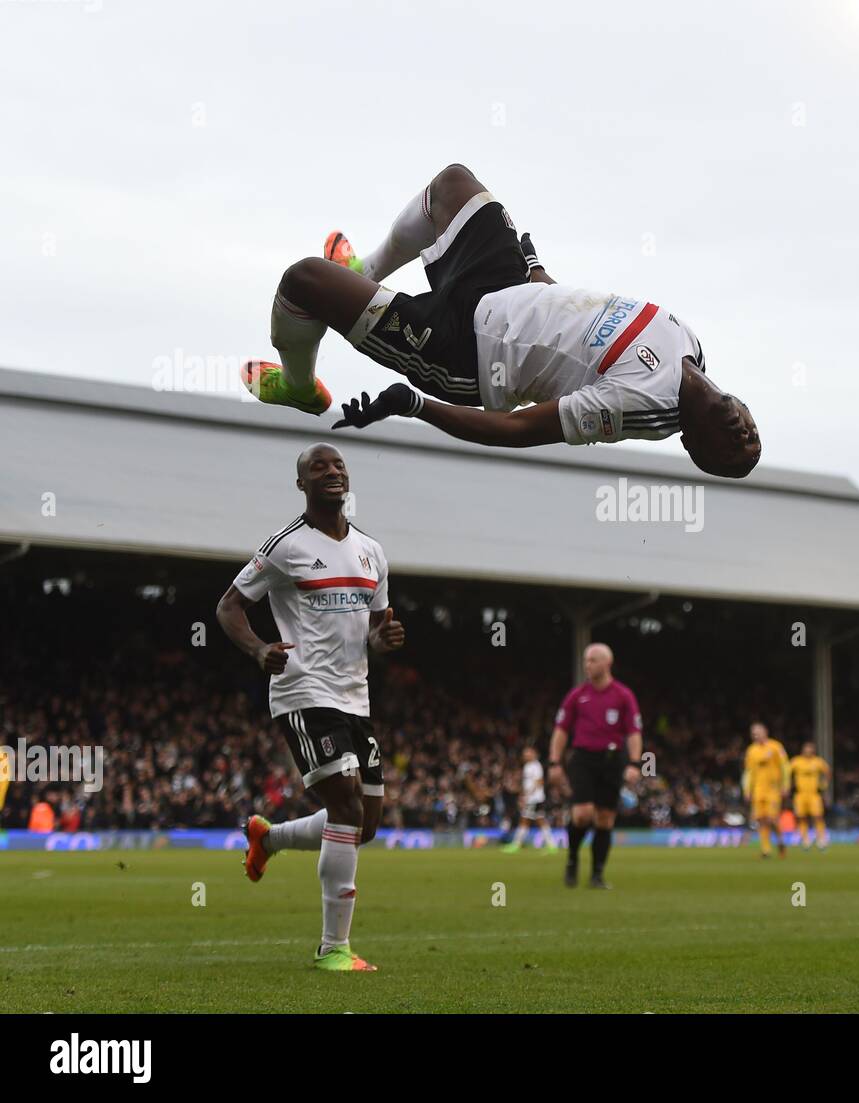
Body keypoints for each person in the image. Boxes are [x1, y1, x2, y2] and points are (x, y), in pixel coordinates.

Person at [241, 164, 761, 479]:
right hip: (506, 288)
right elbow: (577, 324)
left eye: (732, 450)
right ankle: (366, 272)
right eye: (753, 436)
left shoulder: (644, 406)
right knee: (453, 184)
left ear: (693, 445)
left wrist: (419, 405)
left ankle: (297, 385)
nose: (743, 435)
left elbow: (514, 429)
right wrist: (538, 269)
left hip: (468, 352)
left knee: (305, 281)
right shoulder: (690, 342)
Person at [215, 443, 404, 971]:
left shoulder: (372, 551)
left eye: (338, 464)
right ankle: (333, 948)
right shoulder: (285, 547)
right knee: (344, 806)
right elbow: (229, 606)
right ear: (302, 485)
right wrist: (257, 649)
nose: (331, 471)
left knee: (365, 823)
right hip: (302, 690)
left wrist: (383, 638)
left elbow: (375, 625)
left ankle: (268, 837)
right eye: (317, 467)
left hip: (355, 695)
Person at [548, 644, 643, 888]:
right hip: (583, 758)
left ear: (606, 664)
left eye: (592, 660)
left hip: (612, 760)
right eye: (586, 660)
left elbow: (633, 732)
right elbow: (561, 730)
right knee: (582, 814)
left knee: (605, 818)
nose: (587, 664)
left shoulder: (623, 695)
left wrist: (634, 762)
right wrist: (554, 762)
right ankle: (572, 861)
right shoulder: (577, 695)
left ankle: (597, 875)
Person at [742, 723, 789, 858]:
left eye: (758, 732)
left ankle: (780, 842)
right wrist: (747, 790)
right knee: (761, 819)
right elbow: (748, 772)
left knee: (772, 819)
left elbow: (785, 766)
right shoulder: (751, 750)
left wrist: (785, 785)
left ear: (766, 732)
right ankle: (766, 850)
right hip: (758, 789)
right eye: (753, 733)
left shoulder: (776, 746)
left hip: (773, 788)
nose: (756, 735)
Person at [502, 747, 559, 853]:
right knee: (539, 820)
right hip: (533, 798)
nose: (526, 755)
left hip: (534, 798)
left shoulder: (535, 766)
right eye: (525, 754)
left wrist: (528, 795)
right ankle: (552, 845)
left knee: (525, 820)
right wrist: (523, 793)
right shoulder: (528, 766)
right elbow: (528, 783)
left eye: (528, 753)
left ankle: (516, 844)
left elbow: (539, 781)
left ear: (534, 754)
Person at [789, 741, 830, 851]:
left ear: (813, 751)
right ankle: (805, 840)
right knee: (802, 818)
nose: (808, 751)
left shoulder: (818, 762)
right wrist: (789, 784)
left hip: (814, 794)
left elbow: (827, 771)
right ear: (803, 750)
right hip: (800, 794)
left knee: (818, 816)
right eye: (806, 749)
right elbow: (787, 772)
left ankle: (821, 840)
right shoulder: (796, 761)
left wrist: (824, 784)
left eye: (810, 749)